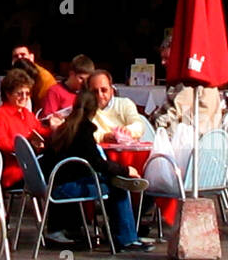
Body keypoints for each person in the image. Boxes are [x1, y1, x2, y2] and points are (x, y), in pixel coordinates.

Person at [39, 90, 150, 251]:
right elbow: (97, 163)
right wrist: (125, 170)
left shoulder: (65, 128)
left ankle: (118, 232)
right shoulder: (83, 131)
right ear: (94, 110)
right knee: (117, 185)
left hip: (53, 184)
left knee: (111, 180)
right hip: (65, 187)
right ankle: (126, 238)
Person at [0, 67, 62, 189]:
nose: (24, 97)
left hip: (32, 165)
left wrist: (55, 127)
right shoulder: (0, 115)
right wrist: (27, 144)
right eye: (19, 93)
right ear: (8, 93)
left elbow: (40, 132)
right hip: (15, 171)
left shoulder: (27, 114)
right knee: (57, 168)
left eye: (27, 93)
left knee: (60, 163)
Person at [90, 70, 146, 142]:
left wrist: (127, 131)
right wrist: (103, 137)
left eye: (104, 90)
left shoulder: (125, 104)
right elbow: (82, 133)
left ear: (112, 90)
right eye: (95, 91)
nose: (100, 95)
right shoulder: (85, 109)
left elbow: (139, 126)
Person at [38, 55, 95, 119]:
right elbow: (47, 118)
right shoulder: (55, 91)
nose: (84, 83)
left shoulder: (87, 93)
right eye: (81, 78)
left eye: (87, 80)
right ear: (71, 74)